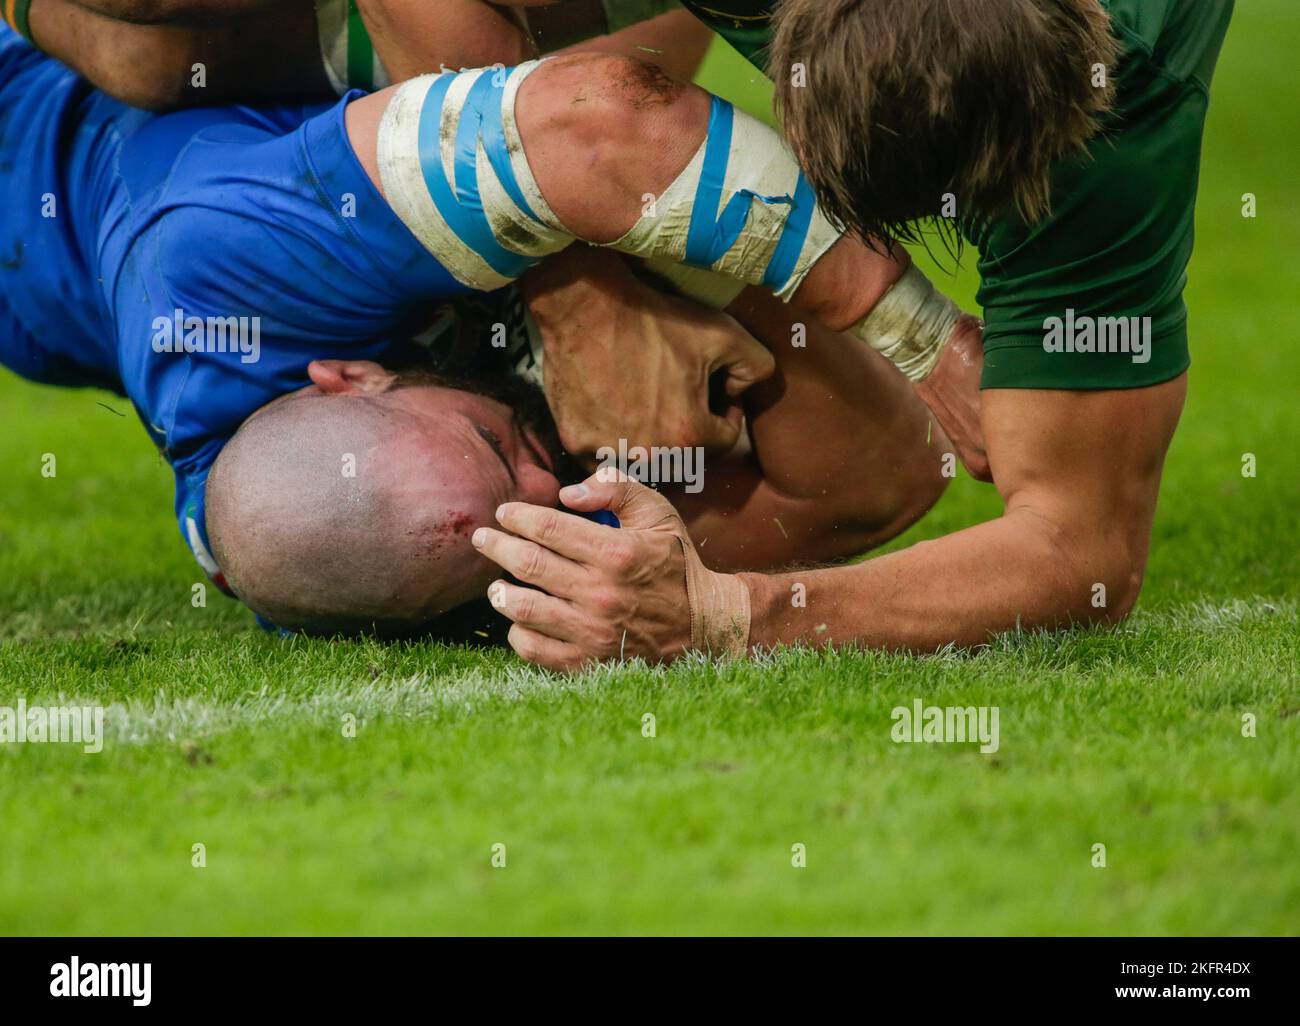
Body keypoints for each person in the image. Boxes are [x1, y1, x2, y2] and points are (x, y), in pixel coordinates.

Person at [0, 21, 963, 633]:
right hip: (61, 292)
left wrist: (937, 347)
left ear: (354, 376)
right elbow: (880, 478)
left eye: (499, 443)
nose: (559, 482)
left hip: (38, 126)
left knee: (146, 30)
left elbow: (602, 121)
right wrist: (697, 282)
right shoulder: (423, 556)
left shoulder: (241, 262)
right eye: (524, 523)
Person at [470, 0, 1237, 669]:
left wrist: (726, 616)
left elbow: (1077, 548)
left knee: (883, 468)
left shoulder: (1116, 120)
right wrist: (575, 296)